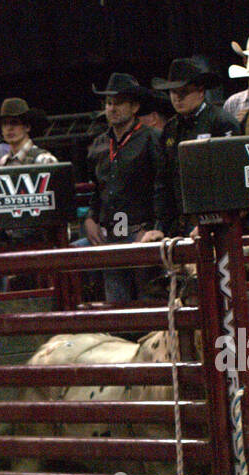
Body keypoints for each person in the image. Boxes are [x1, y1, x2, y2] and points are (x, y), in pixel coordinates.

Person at [85, 73, 167, 304]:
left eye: (119, 102)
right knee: (116, 302)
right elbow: (97, 189)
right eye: (109, 103)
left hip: (141, 231)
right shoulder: (100, 144)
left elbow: (161, 187)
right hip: (111, 232)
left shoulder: (152, 138)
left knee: (148, 299)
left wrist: (155, 228)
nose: (112, 108)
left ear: (134, 107)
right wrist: (90, 218)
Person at [154, 58, 239, 237]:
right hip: (179, 223)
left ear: (201, 91)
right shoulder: (170, 129)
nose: (177, 98)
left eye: (183, 92)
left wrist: (213, 222)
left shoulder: (221, 122)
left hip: (216, 223)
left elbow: (230, 180)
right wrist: (160, 227)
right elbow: (163, 181)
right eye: (173, 92)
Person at [0, 98, 58, 252]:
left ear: (27, 127)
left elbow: (58, 209)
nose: (9, 128)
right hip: (13, 245)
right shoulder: (2, 164)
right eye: (5, 124)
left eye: (14, 123)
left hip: (41, 245)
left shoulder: (44, 161)